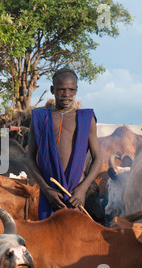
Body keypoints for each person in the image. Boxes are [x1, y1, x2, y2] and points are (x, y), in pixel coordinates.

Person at [26, 68, 102, 220]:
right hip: (50, 194)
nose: (67, 95)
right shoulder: (40, 118)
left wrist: (82, 189)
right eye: (61, 89)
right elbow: (29, 159)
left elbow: (98, 158)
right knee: (48, 238)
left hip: (76, 194)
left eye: (71, 90)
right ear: (53, 89)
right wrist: (46, 189)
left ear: (76, 89)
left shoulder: (86, 118)